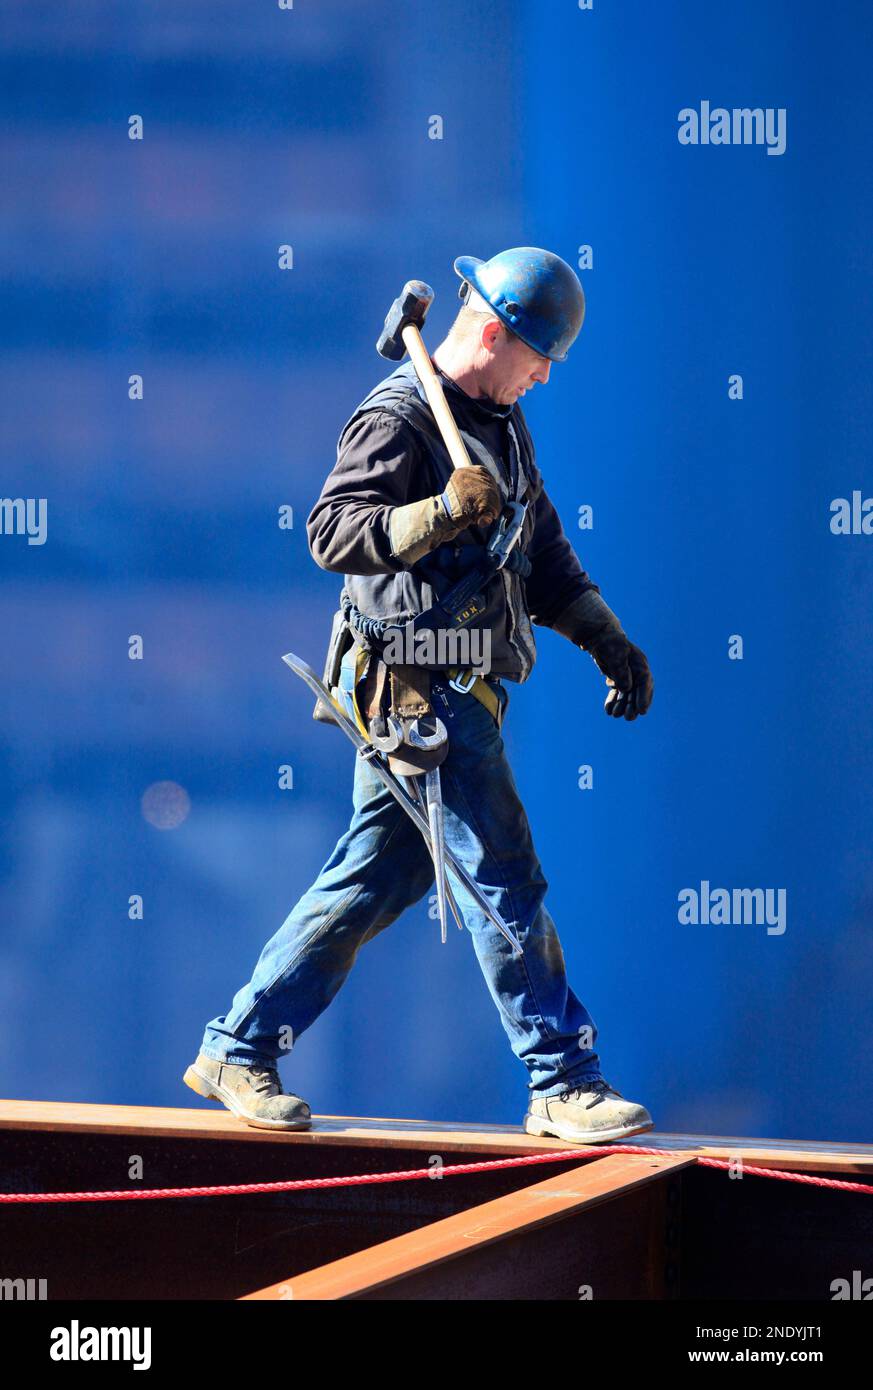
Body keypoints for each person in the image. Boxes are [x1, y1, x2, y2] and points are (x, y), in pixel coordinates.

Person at [184, 247, 655, 1144]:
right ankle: (561, 1079)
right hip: (415, 695)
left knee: (379, 875)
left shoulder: (499, 423)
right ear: (492, 332)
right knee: (503, 877)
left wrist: (603, 635)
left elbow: (540, 553)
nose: (546, 373)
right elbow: (332, 532)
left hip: (462, 691)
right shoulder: (400, 417)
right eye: (539, 354)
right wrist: (433, 512)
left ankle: (238, 1047)